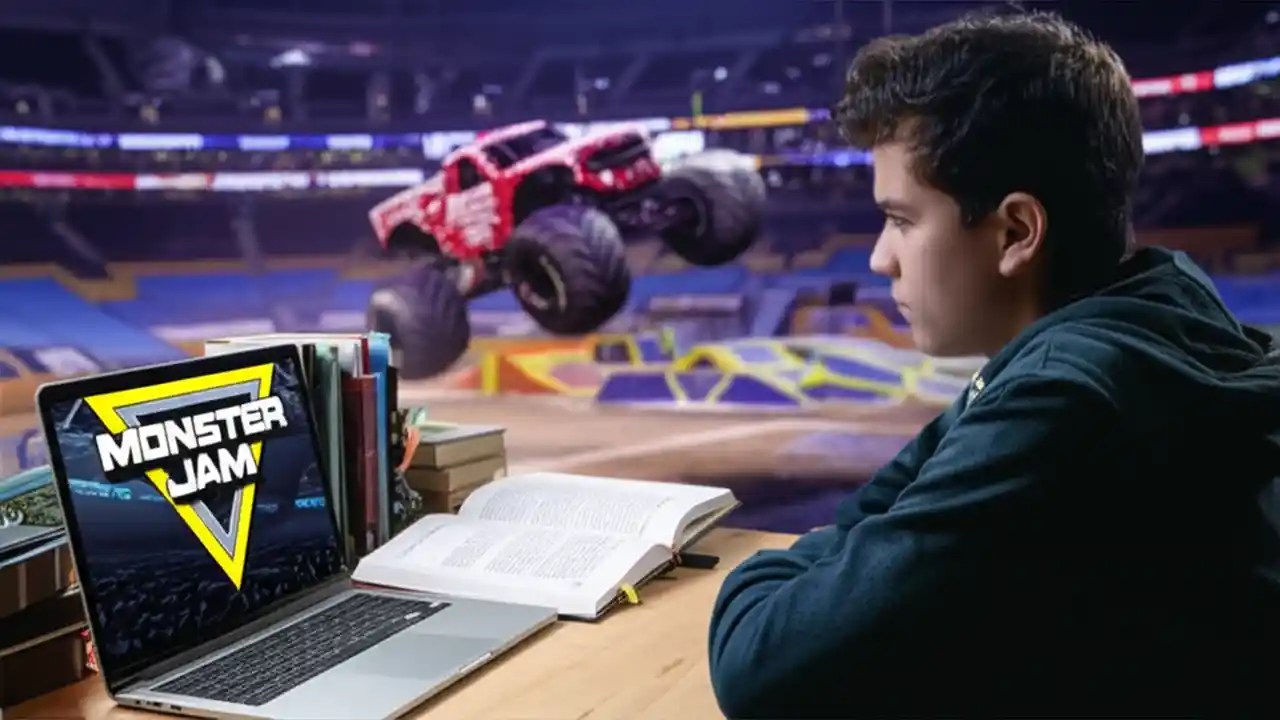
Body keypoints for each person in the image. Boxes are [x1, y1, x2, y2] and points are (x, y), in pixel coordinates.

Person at [707, 8, 1280, 718]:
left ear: (1015, 232)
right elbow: (875, 512)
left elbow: (759, 663)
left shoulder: (1067, 399)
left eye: (902, 219)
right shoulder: (1155, 311)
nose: (881, 258)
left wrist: (763, 569)